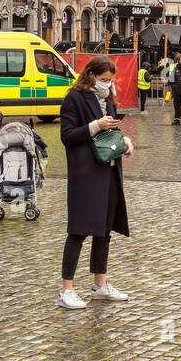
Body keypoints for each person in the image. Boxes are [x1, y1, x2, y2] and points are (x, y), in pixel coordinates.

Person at [56, 56, 133, 309]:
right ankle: (66, 289)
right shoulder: (73, 98)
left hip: (109, 169)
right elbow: (67, 136)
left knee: (104, 230)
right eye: (103, 80)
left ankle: (100, 284)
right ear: (91, 76)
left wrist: (125, 142)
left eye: (110, 81)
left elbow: (111, 130)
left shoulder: (108, 99)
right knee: (78, 231)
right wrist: (94, 126)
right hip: (85, 173)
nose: (107, 85)